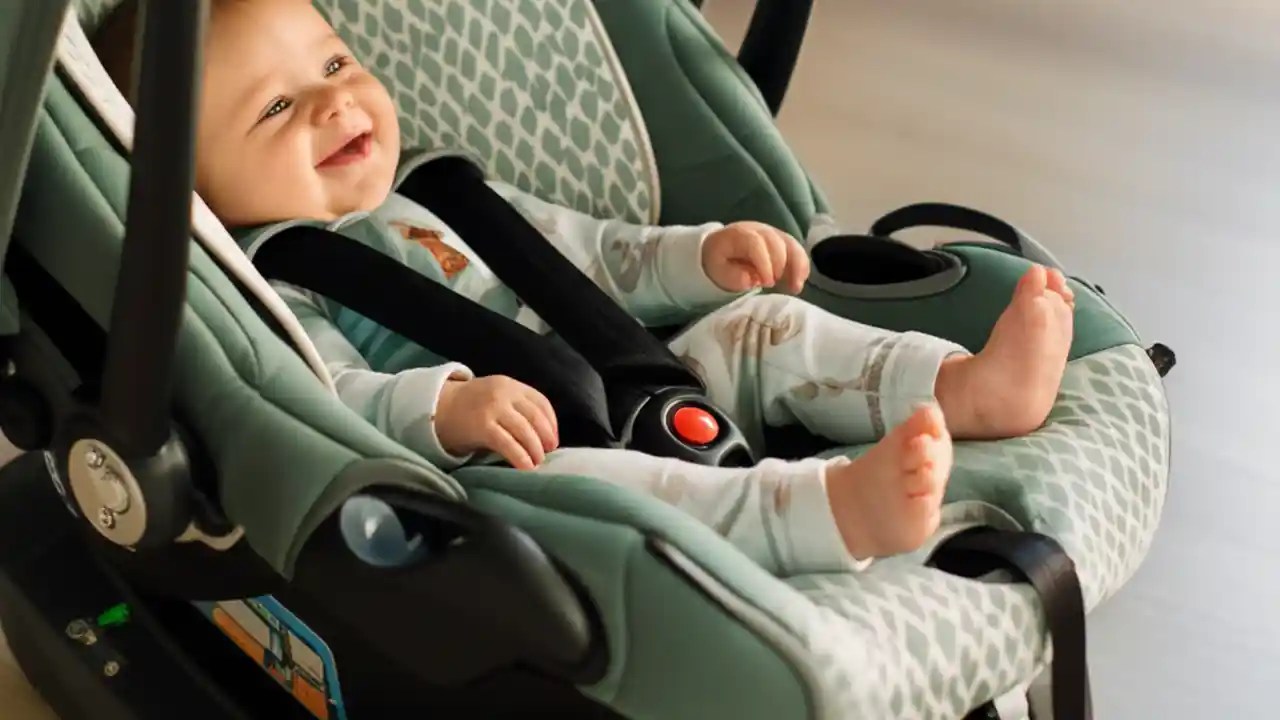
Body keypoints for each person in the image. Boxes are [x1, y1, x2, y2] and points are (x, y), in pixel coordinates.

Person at [94, 0, 1076, 575]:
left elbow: (592, 257)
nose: (334, 101)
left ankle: (960, 387)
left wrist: (699, 258)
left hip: (634, 364)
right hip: (506, 465)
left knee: (764, 326)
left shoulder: (443, 190)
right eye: (275, 108)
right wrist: (445, 407)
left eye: (336, 63)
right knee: (621, 491)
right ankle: (828, 514)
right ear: (192, 190)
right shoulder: (270, 279)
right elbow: (324, 401)